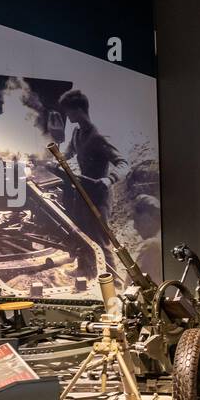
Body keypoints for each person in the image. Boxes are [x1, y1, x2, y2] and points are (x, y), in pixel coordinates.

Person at [49, 89, 128, 273]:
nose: (66, 115)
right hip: (83, 192)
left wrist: (109, 180)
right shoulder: (77, 133)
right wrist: (52, 161)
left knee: (101, 238)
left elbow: (123, 163)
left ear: (77, 110)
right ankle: (86, 271)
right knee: (83, 235)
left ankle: (114, 280)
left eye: (68, 111)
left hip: (99, 195)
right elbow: (67, 154)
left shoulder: (98, 137)